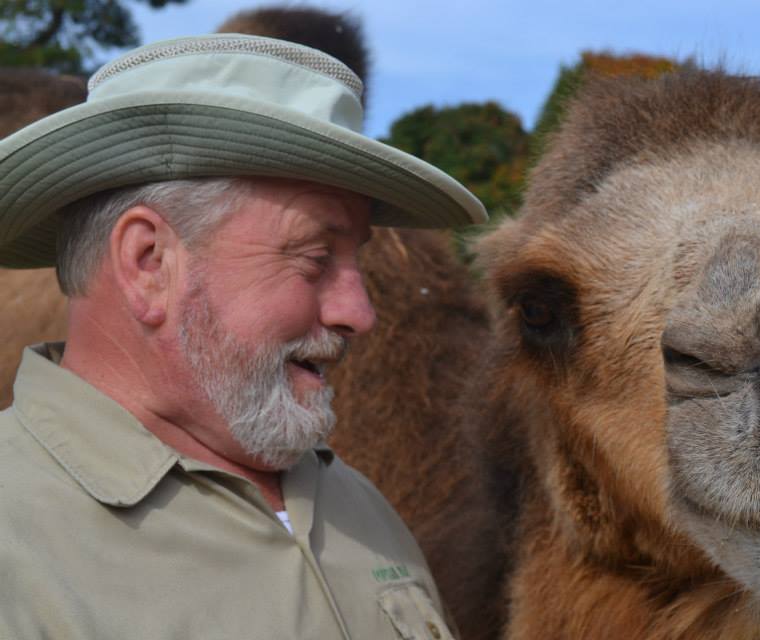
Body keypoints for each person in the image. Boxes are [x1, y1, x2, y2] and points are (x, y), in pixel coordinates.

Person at [0, 34, 486, 639]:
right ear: (149, 264)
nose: (360, 312)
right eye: (314, 257)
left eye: (356, 260)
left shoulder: (363, 509)